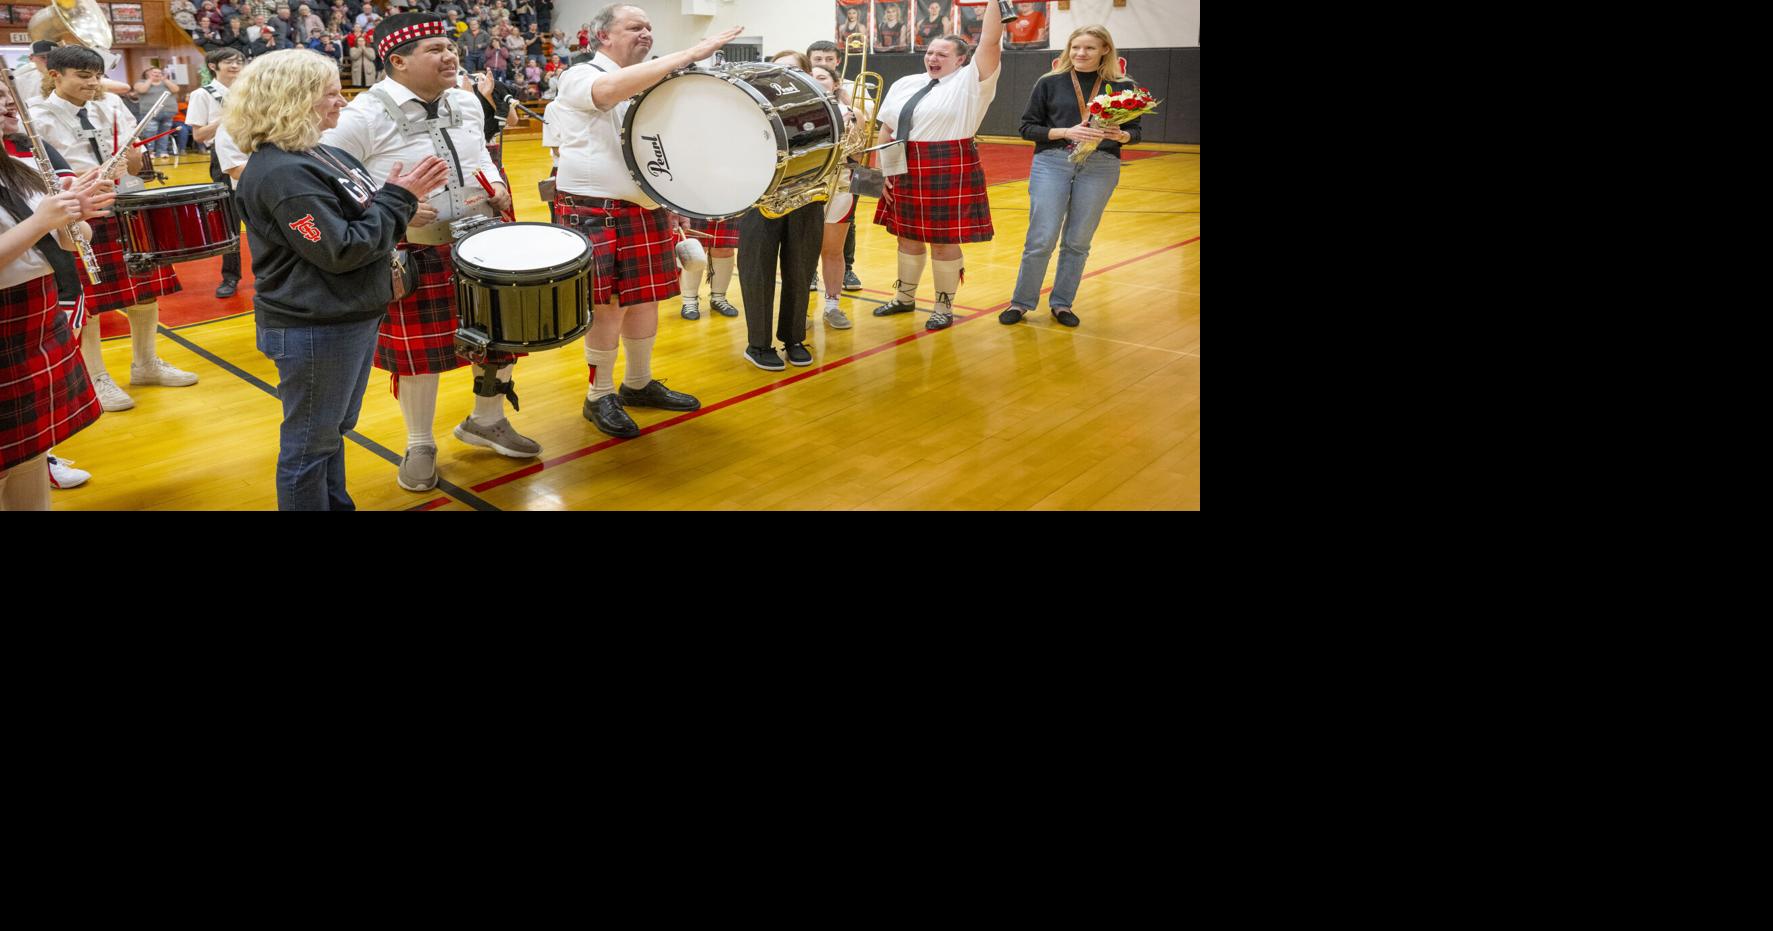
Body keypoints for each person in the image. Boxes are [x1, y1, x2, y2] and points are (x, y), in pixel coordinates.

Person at [321, 11, 537, 491]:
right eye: (435, 49)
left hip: (482, 239)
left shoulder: (464, 99)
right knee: (418, 355)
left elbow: (480, 154)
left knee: (499, 336)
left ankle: (487, 420)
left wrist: (497, 184)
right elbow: (329, 177)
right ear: (397, 60)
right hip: (414, 250)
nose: (450, 56)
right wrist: (385, 204)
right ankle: (419, 443)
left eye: (450, 47)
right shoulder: (362, 115)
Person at [228, 49, 446, 509]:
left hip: (345, 315)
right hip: (314, 326)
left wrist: (400, 202)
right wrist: (398, 199)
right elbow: (340, 249)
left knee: (331, 432)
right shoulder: (283, 174)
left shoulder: (319, 154)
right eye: (329, 93)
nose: (341, 102)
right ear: (293, 100)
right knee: (310, 445)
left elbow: (359, 215)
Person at [549, 4, 740, 437]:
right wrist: (690, 53)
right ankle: (598, 395)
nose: (646, 33)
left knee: (644, 299)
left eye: (650, 27)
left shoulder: (650, 81)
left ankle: (637, 383)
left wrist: (673, 201)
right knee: (607, 305)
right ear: (602, 36)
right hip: (596, 210)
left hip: (645, 208)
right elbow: (608, 92)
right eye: (635, 26)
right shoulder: (579, 75)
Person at [30, 45, 196, 413]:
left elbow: (137, 166)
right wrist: (86, 179)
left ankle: (146, 364)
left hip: (126, 206)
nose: (93, 84)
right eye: (83, 76)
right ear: (55, 76)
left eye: (96, 76)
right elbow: (37, 178)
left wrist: (134, 160)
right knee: (90, 300)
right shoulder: (36, 117)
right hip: (81, 215)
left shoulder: (111, 105)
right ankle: (96, 376)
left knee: (144, 289)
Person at [0, 78, 111, 511]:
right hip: (7, 320)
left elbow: (69, 241)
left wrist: (74, 214)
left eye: (8, 93)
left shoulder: (17, 165)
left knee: (30, 456)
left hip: (37, 317)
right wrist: (42, 220)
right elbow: (36, 228)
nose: (10, 102)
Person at [871, 11, 1003, 330]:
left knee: (944, 242)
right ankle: (904, 298)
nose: (933, 58)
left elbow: (990, 41)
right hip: (903, 165)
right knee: (906, 238)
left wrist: (995, 5)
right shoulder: (905, 83)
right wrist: (882, 171)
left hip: (947, 165)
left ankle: (943, 307)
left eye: (942, 54)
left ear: (961, 60)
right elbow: (887, 129)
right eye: (930, 52)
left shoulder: (971, 82)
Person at [1003, 25, 1141, 328]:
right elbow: (1027, 128)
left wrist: (1122, 136)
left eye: (1089, 48)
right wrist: (1067, 131)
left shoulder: (1123, 86)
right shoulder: (1049, 82)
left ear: (1105, 49)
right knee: (1041, 238)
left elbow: (1136, 131)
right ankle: (1021, 302)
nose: (1080, 53)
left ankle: (1062, 303)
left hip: (1101, 164)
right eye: (1075, 47)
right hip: (1053, 161)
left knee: (1078, 241)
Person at [733, 50, 825, 370]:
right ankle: (758, 344)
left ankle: (794, 338)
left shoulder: (822, 108)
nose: (783, 76)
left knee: (800, 270)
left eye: (792, 70)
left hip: (806, 196)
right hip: (761, 197)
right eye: (777, 70)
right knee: (757, 270)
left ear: (806, 75)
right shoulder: (749, 108)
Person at [185, 47, 248, 297]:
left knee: (262, 217)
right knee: (230, 221)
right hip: (222, 155)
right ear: (213, 66)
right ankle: (230, 276)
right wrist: (226, 117)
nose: (235, 66)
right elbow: (199, 135)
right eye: (229, 62)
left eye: (239, 61)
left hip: (252, 151)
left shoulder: (248, 90)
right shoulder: (202, 94)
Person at [806, 39, 861, 293]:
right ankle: (809, 278)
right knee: (805, 240)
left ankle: (844, 276)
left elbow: (858, 153)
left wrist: (849, 123)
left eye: (829, 60)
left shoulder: (851, 105)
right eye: (817, 61)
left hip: (842, 178)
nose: (824, 64)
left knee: (841, 236)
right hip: (810, 180)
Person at [810, 64, 855, 330]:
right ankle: (799, 309)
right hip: (805, 187)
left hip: (839, 186)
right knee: (801, 253)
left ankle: (832, 306)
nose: (816, 81)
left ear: (836, 83)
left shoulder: (852, 112)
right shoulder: (796, 112)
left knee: (833, 250)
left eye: (822, 77)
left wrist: (851, 126)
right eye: (810, 77)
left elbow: (857, 156)